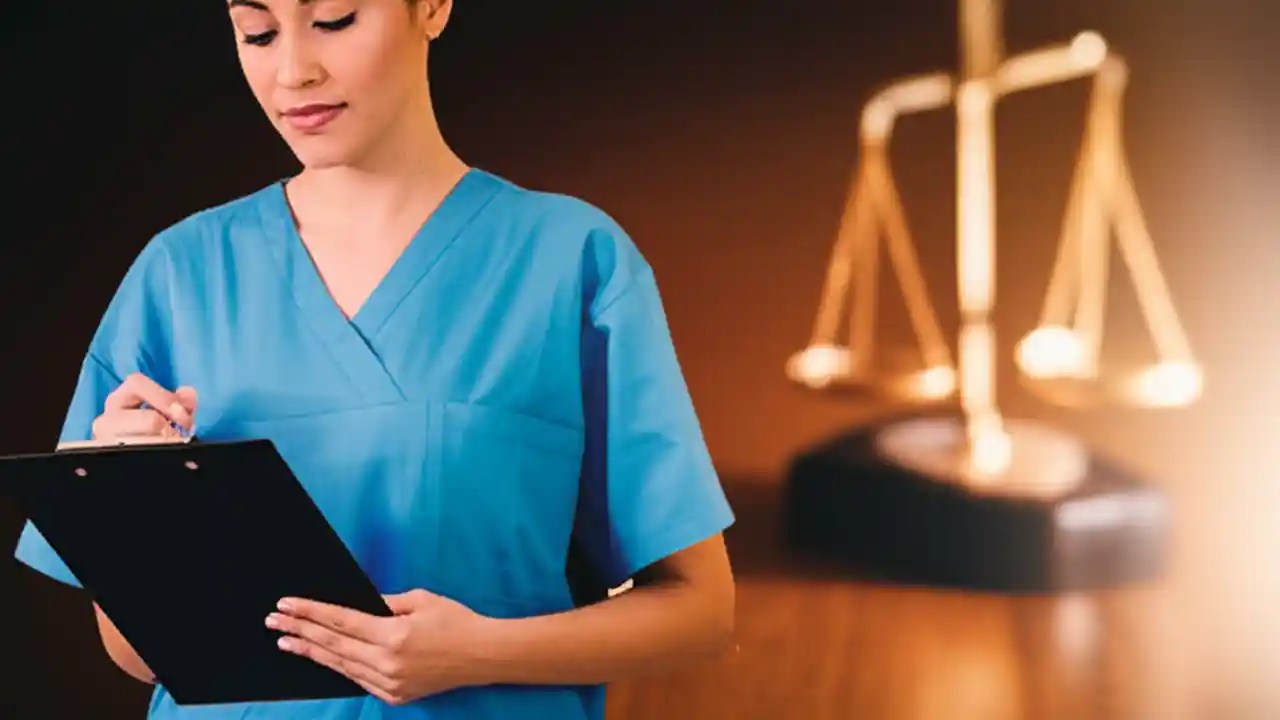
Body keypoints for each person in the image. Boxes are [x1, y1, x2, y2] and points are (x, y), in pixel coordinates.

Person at [11, 0, 737, 717]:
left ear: (432, 7)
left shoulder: (569, 259)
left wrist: (478, 653)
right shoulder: (181, 273)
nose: (294, 70)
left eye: (334, 21)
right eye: (257, 33)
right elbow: (136, 655)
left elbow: (700, 610)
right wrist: (126, 514)